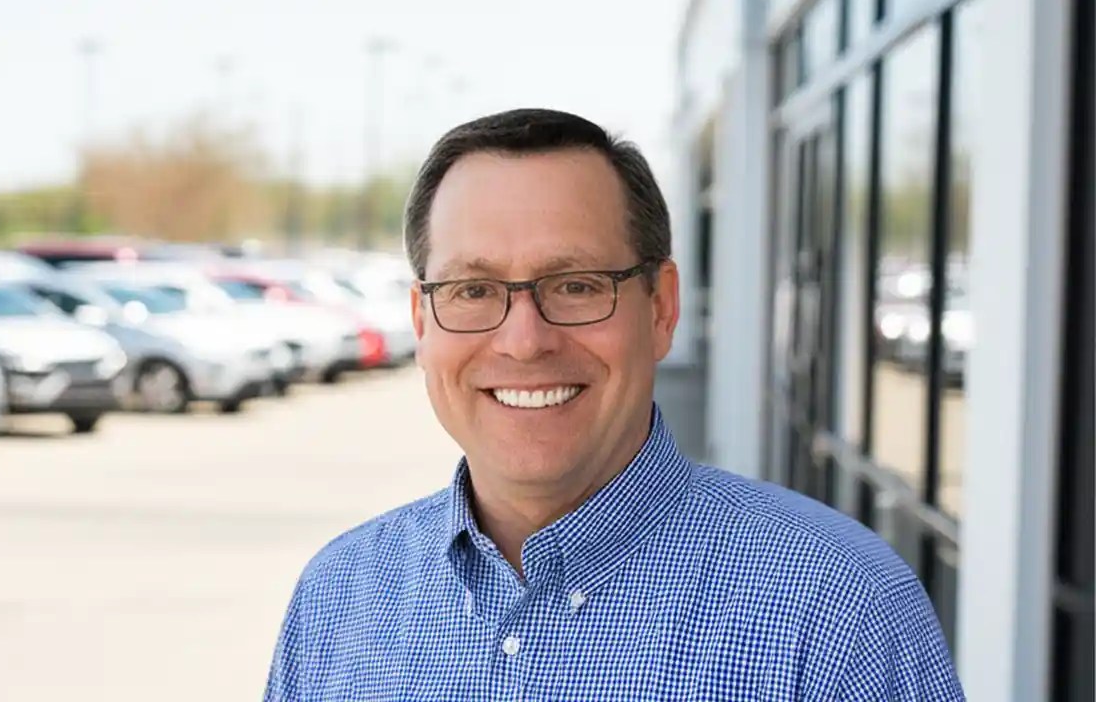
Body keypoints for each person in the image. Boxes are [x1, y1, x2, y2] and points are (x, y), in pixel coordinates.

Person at [264, 108, 964, 700]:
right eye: (472, 291)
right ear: (421, 322)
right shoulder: (339, 597)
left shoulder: (844, 610)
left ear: (661, 308)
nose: (524, 341)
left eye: (574, 285)